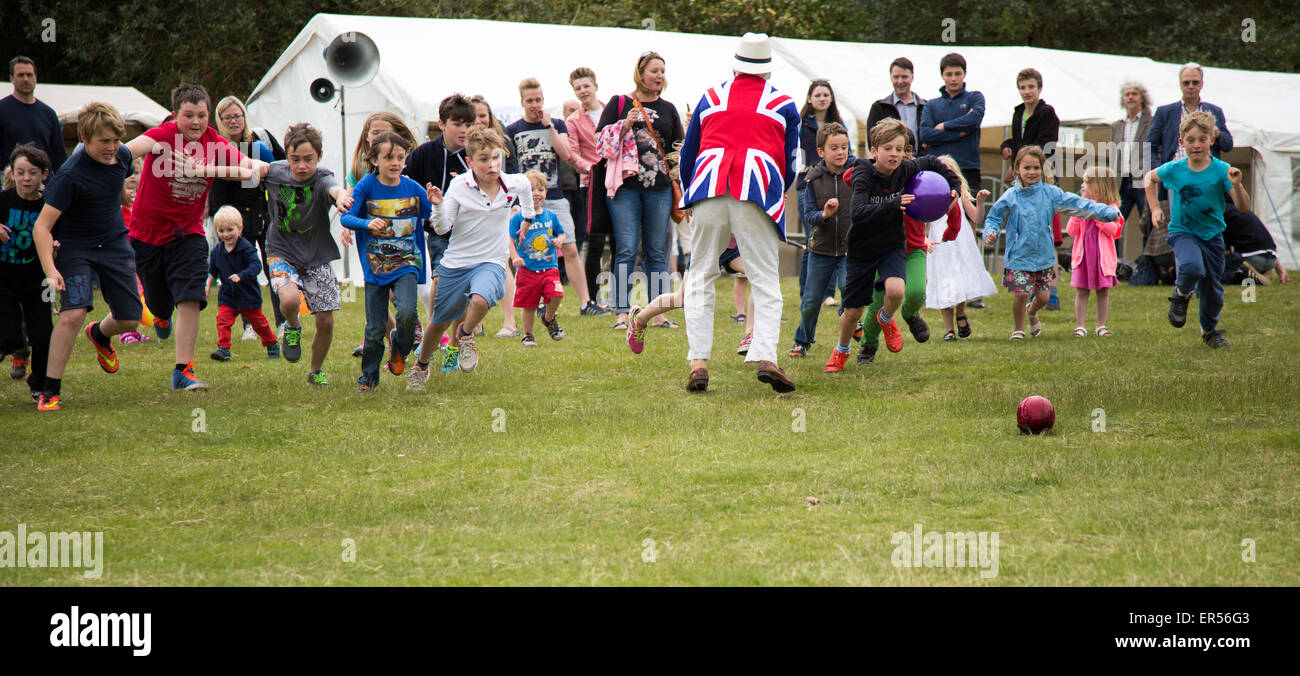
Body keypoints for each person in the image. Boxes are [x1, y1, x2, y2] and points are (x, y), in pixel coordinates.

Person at [678, 33, 801, 392]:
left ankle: (698, 363)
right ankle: (766, 357)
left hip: (709, 184)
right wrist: (776, 194)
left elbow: (688, 153)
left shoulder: (711, 96)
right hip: (757, 189)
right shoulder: (784, 103)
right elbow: (790, 163)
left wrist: (691, 196)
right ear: (767, 71)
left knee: (700, 275)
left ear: (735, 65)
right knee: (764, 278)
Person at [125, 83, 263, 391]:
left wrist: (204, 167)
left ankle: (182, 371)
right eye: (189, 116)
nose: (197, 122)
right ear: (176, 116)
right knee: (160, 305)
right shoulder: (163, 136)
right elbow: (127, 151)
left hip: (188, 234)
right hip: (147, 236)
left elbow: (253, 169)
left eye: (202, 115)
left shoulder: (214, 143)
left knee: (190, 297)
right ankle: (161, 317)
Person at [32, 102, 144, 411]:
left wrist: (125, 197)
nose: (111, 148)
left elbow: (116, 182)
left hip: (114, 243)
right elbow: (41, 228)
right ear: (84, 139)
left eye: (115, 140)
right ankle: (50, 390)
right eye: (103, 142)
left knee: (130, 318)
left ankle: (99, 333)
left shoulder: (120, 156)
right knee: (73, 313)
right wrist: (51, 270)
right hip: (77, 248)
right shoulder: (69, 176)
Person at [826, 119, 959, 372]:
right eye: (888, 148)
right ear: (874, 151)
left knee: (897, 291)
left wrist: (953, 185)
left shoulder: (904, 168)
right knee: (853, 311)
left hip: (892, 246)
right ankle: (841, 349)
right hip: (862, 250)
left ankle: (885, 318)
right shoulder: (864, 172)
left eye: (899, 149)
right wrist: (892, 202)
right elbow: (858, 213)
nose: (895, 154)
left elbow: (933, 162)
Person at [407, 126, 529, 389]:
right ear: (470, 162)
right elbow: (441, 228)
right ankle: (421, 366)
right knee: (438, 322)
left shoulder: (513, 182)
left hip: (492, 262)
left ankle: (464, 335)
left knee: (481, 300)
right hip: (456, 264)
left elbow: (527, 185)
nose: (492, 165)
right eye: (484, 159)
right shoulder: (459, 186)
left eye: (496, 158)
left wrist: (527, 218)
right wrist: (438, 205)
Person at [984, 146, 1120, 341]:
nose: (1032, 172)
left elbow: (1078, 204)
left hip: (1044, 257)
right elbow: (994, 217)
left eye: (1036, 168)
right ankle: (1018, 329)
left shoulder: (1050, 193)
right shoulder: (1010, 197)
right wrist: (991, 232)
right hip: (1019, 256)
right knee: (1021, 294)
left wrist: (1105, 212)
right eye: (1027, 168)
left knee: (1044, 298)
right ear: (1017, 169)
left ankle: (1032, 312)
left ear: (1043, 169)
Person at [1145, 111, 1250, 349]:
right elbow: (1148, 179)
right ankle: (1181, 295)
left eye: (1202, 139)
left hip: (1212, 236)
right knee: (1192, 267)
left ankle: (1210, 331)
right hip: (1183, 231)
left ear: (1212, 140)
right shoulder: (1175, 168)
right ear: (1181, 142)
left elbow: (1243, 207)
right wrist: (1154, 209)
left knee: (1212, 290)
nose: (1196, 145)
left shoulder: (1222, 170)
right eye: (1190, 140)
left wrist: (1237, 185)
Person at [596, 51, 684, 331]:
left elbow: (677, 147)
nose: (659, 76)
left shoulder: (669, 108)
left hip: (659, 189)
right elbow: (600, 141)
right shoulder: (619, 103)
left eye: (663, 71)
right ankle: (622, 312)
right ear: (640, 73)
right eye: (654, 70)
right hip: (625, 189)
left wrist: (678, 164)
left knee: (657, 251)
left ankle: (657, 313)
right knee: (626, 248)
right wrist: (625, 125)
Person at [340, 131, 433, 392]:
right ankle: (368, 378)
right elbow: (346, 219)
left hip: (406, 262)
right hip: (375, 265)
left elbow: (434, 216)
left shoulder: (413, 188)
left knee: (407, 313)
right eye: (388, 157)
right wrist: (368, 223)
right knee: (374, 328)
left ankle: (400, 348)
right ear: (375, 160)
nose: (395, 162)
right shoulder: (367, 186)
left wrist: (437, 202)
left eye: (400, 157)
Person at [263, 123, 352, 385]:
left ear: (319, 156)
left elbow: (336, 189)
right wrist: (201, 169)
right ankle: (292, 326)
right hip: (281, 251)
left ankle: (315, 370)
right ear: (286, 156)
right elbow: (238, 168)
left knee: (325, 321)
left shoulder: (322, 177)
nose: (301, 165)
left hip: (317, 255)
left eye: (308, 159)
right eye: (295, 159)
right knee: (289, 300)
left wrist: (341, 199)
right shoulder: (274, 172)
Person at [505, 79, 596, 317]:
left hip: (554, 195)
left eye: (538, 100)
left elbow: (566, 154)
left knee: (571, 248)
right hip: (525, 199)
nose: (534, 104)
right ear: (522, 101)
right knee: (525, 249)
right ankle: (532, 302)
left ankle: (586, 302)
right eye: (530, 100)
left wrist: (549, 126)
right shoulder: (513, 130)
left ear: (544, 100)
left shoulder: (556, 124)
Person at [345, 112, 422, 357]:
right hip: (372, 247)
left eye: (383, 132)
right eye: (374, 132)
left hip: (404, 250)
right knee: (378, 299)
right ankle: (377, 345)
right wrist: (353, 225)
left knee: (402, 300)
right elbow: (348, 205)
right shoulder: (361, 175)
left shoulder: (404, 176)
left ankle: (404, 336)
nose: (378, 136)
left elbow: (427, 209)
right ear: (367, 138)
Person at [209, 95, 283, 335]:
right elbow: (217, 188)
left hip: (264, 215)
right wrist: (223, 221)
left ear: (244, 116)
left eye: (237, 116)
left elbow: (281, 169)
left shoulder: (261, 141)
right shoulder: (218, 148)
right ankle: (249, 324)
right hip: (235, 221)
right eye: (227, 117)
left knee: (275, 268)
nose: (233, 121)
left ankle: (283, 322)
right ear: (220, 120)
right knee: (243, 272)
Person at [998, 68, 1063, 310]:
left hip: (1042, 179)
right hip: (1021, 180)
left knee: (1047, 235)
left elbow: (1046, 149)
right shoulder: (1018, 113)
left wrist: (1022, 166)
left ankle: (1051, 291)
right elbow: (1017, 141)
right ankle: (1024, 285)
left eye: (1031, 87)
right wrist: (1008, 148)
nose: (1027, 92)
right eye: (1023, 88)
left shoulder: (1048, 114)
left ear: (1039, 88)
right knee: (1023, 233)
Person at [789, 122, 852, 358]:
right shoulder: (812, 178)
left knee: (848, 288)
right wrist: (824, 214)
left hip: (849, 249)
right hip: (821, 250)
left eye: (844, 147)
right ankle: (802, 341)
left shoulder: (857, 173)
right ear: (821, 152)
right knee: (811, 301)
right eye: (834, 148)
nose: (840, 152)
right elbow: (808, 215)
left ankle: (852, 323)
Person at [924, 155, 996, 341]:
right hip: (940, 244)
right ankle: (949, 329)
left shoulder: (960, 194)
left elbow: (976, 218)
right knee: (944, 281)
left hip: (961, 244)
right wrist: (924, 239)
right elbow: (923, 224)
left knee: (961, 278)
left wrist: (979, 202)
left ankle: (961, 313)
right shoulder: (929, 196)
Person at [0, 143, 51, 400]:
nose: (26, 178)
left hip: (37, 281)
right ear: (12, 172)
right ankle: (15, 352)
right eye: (20, 172)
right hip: (4, 281)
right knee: (9, 338)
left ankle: (39, 384)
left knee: (43, 336)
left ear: (44, 174)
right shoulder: (4, 200)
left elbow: (60, 231)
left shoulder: (50, 205)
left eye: (32, 172)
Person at [565, 67, 615, 316]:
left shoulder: (612, 111)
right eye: (578, 88)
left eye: (586, 86)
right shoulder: (573, 121)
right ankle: (593, 302)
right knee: (594, 242)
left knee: (621, 241)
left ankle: (619, 297)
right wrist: (591, 168)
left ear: (595, 85)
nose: (583, 91)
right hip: (591, 185)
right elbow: (572, 153)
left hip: (617, 181)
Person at [796, 79, 847, 306]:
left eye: (826, 94)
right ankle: (809, 293)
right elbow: (793, 153)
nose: (822, 98)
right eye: (817, 95)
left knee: (835, 237)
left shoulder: (839, 125)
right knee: (814, 238)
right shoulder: (799, 124)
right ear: (809, 99)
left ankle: (827, 294)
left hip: (836, 184)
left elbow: (847, 153)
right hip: (807, 184)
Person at [206, 206, 279, 361]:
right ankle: (224, 349)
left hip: (248, 296)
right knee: (223, 321)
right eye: (221, 231)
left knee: (259, 324)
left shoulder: (246, 248)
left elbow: (256, 266)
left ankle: (271, 343)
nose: (225, 234)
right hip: (228, 296)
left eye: (230, 230)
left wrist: (242, 276)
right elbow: (213, 270)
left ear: (240, 229)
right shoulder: (217, 251)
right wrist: (207, 285)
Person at [509, 170, 566, 346]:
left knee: (557, 294)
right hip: (527, 269)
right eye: (531, 189)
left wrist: (559, 241)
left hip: (549, 266)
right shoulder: (518, 217)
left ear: (546, 193)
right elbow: (510, 239)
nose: (536, 193)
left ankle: (548, 318)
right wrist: (515, 257)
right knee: (529, 305)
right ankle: (528, 335)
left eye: (540, 189)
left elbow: (562, 233)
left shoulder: (550, 216)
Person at [1066, 166, 1124, 337]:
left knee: (1103, 291)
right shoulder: (1081, 206)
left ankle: (1101, 325)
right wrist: (1080, 211)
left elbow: (1114, 230)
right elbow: (1071, 230)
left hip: (1102, 259)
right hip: (1083, 257)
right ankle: (1080, 326)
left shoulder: (1111, 208)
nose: (1083, 185)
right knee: (1082, 291)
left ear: (1100, 186)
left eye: (1086, 182)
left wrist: (1098, 216)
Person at [1148, 63, 1233, 172]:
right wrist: (1161, 171)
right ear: (1180, 84)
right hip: (1175, 177)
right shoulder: (1165, 113)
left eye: (1195, 82)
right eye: (1186, 83)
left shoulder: (1215, 111)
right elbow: (1149, 147)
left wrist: (1217, 134)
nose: (1191, 86)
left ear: (1202, 84)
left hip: (1209, 177)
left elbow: (1228, 145)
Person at [920, 53, 985, 193]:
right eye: (949, 74)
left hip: (967, 168)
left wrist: (944, 126)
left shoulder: (975, 97)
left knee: (971, 214)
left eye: (958, 73)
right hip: (938, 169)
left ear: (964, 74)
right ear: (942, 75)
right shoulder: (931, 105)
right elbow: (925, 135)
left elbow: (974, 120)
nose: (954, 78)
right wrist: (960, 133)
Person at [0, 57, 68, 173]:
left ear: (35, 78)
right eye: (20, 75)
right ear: (12, 78)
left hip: (44, 185)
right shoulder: (2, 110)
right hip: (11, 183)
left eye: (29, 75)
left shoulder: (49, 114)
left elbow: (59, 158)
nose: (26, 79)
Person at [1110, 82, 1154, 249]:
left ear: (1142, 98)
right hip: (1122, 182)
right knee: (1113, 223)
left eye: (1134, 93)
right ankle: (1113, 266)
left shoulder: (1151, 122)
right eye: (1127, 94)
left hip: (1144, 181)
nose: (1130, 97)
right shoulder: (1116, 126)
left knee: (1148, 225)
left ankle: (1147, 267)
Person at [1220, 202, 1289, 286]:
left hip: (1250, 257)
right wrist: (1280, 270)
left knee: (1213, 273)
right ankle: (1264, 273)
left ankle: (1247, 275)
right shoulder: (1242, 210)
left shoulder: (1218, 213)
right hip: (1271, 259)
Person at [866, 57, 926, 149]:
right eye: (896, 77)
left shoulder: (926, 107)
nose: (900, 81)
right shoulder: (879, 108)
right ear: (890, 78)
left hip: (922, 162)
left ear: (912, 77)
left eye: (904, 77)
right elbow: (872, 142)